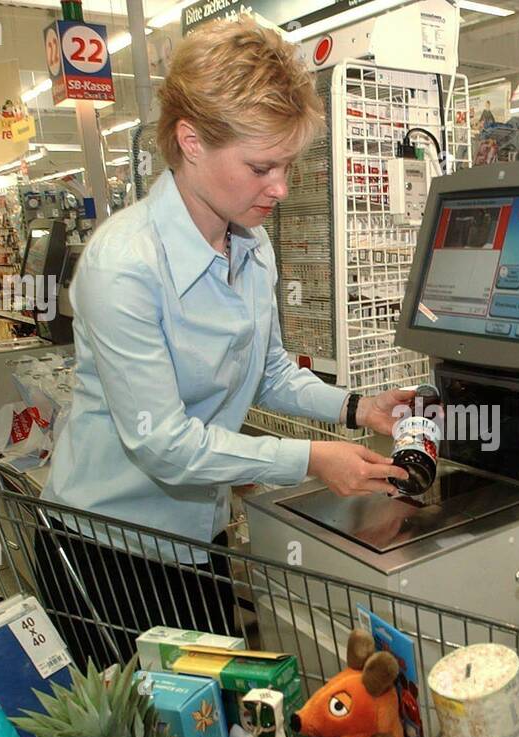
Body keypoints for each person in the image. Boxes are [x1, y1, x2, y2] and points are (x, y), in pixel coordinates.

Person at [34, 19, 415, 663]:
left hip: (197, 539)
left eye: (288, 165)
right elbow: (163, 443)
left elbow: (266, 371)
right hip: (106, 553)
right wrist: (311, 459)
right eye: (262, 166)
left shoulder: (252, 244)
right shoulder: (124, 265)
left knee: (223, 735)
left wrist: (355, 409)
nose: (281, 188)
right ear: (191, 141)